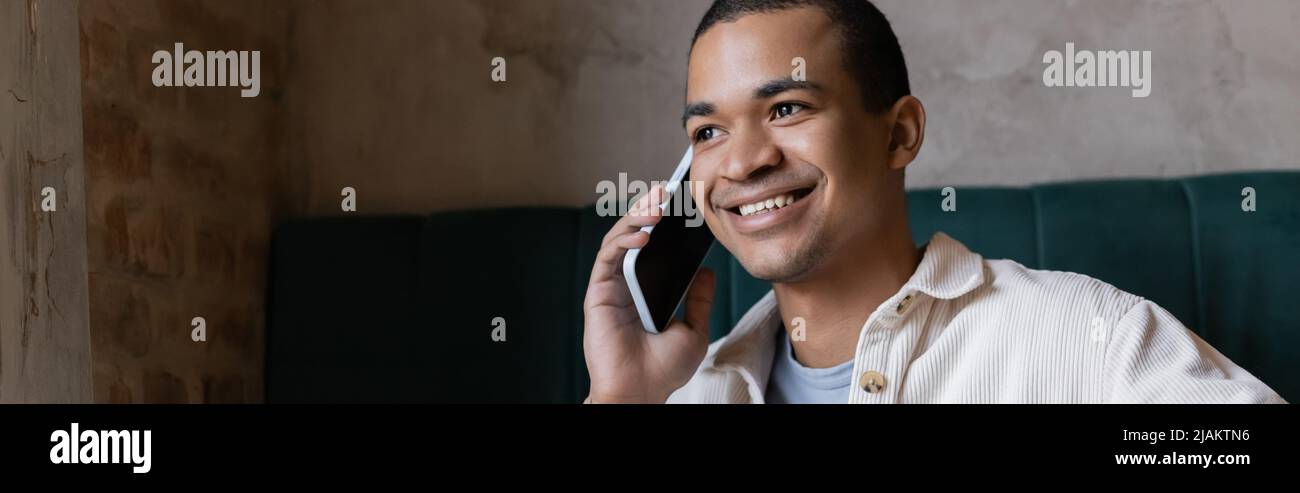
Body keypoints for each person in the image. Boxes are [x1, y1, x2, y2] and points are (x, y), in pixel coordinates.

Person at [581, 0, 1284, 404]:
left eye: (788, 107)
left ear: (900, 133)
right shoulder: (689, 394)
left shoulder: (1086, 337)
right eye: (707, 131)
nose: (742, 160)